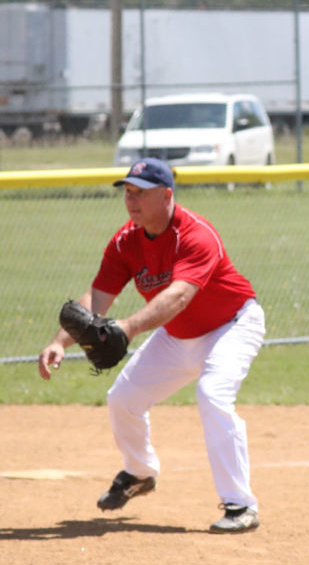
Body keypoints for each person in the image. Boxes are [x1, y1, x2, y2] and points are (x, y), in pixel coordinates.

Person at [38, 158, 266, 534]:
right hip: (178, 335)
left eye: (141, 192)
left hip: (231, 326)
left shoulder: (196, 235)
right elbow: (98, 295)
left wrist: (128, 328)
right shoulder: (126, 241)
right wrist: (60, 341)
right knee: (123, 398)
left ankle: (241, 505)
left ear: (166, 195)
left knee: (212, 394)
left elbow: (179, 296)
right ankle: (140, 473)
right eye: (128, 191)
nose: (132, 200)